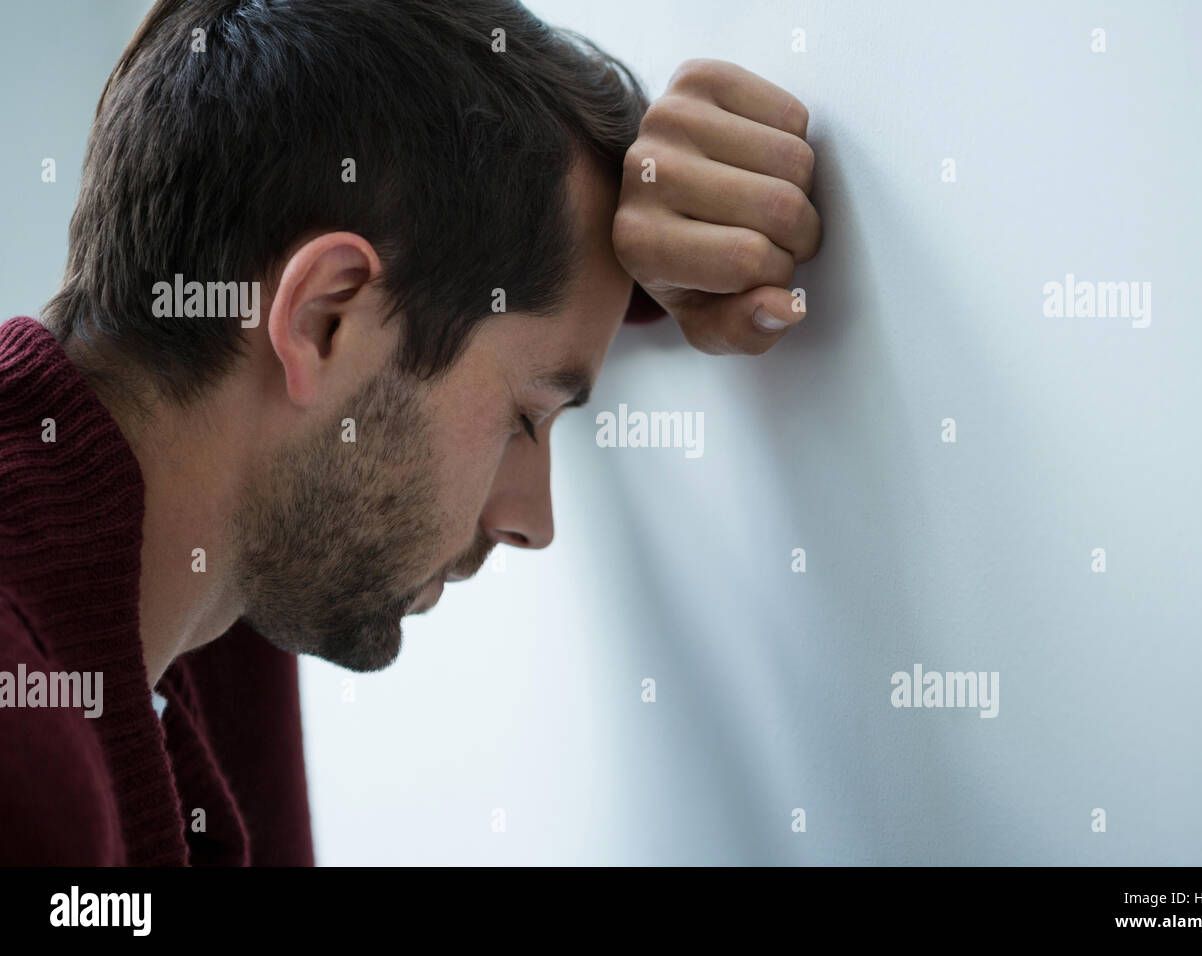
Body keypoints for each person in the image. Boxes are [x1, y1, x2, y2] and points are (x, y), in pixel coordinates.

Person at [0, 0, 820, 865]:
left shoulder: (198, 529)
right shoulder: (26, 763)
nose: (531, 523)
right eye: (526, 417)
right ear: (323, 320)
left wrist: (665, 228)